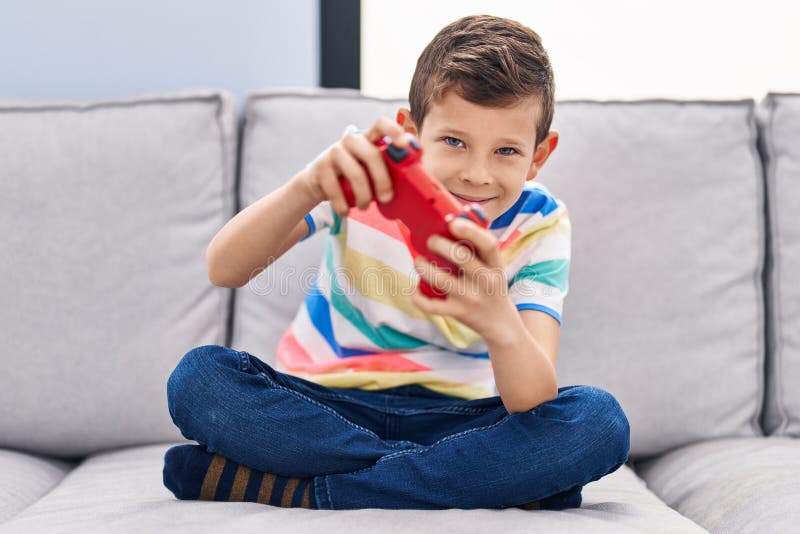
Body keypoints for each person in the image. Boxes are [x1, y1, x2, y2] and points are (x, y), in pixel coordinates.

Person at [162, 13, 630, 511]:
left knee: (598, 422)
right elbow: (224, 269)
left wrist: (500, 323)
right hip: (323, 405)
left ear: (539, 155)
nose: (475, 174)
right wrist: (309, 186)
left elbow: (533, 402)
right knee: (199, 379)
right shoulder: (366, 172)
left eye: (506, 151)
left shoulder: (540, 224)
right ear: (411, 129)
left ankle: (305, 490)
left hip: (457, 416)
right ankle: (461, 479)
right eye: (454, 141)